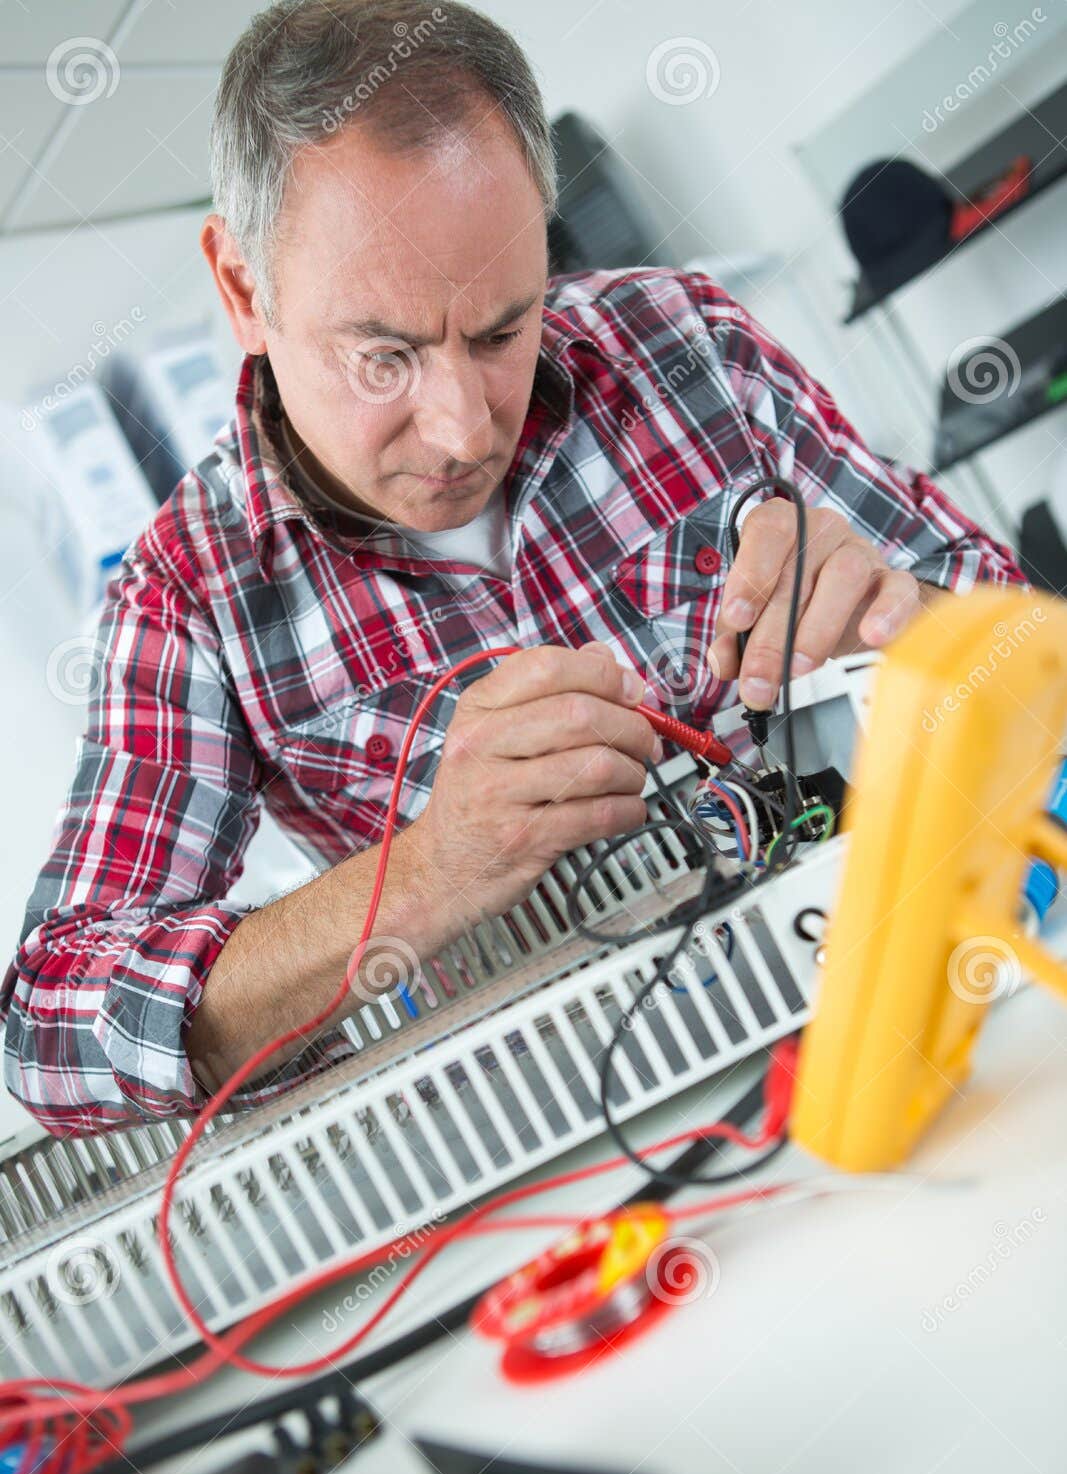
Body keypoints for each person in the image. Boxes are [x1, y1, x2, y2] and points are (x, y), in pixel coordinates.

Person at [2, 0, 1024, 1136]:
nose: (459, 430)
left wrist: (907, 624)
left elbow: (1023, 638)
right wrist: (426, 870)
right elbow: (51, 1036)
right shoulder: (191, 595)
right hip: (595, 1138)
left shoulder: (686, 342)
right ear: (244, 291)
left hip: (920, 1013)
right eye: (382, 354)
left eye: (498, 331)